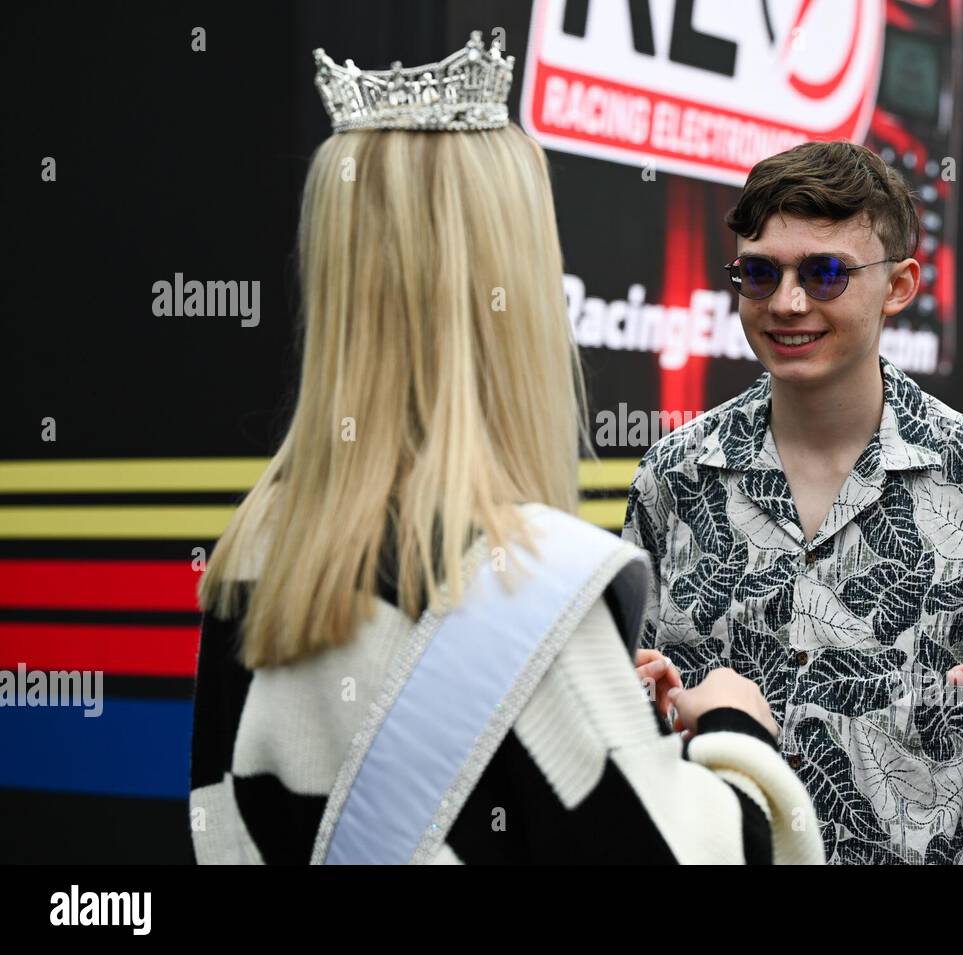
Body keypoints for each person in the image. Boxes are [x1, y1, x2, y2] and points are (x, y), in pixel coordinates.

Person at [187, 34, 824, 865]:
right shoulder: (529, 587)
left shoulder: (259, 557)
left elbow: (217, 829)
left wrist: (601, 710)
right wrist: (738, 725)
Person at [623, 140, 963, 864]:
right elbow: (630, 716)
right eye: (760, 273)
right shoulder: (672, 478)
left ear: (899, 286)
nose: (787, 303)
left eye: (825, 273)